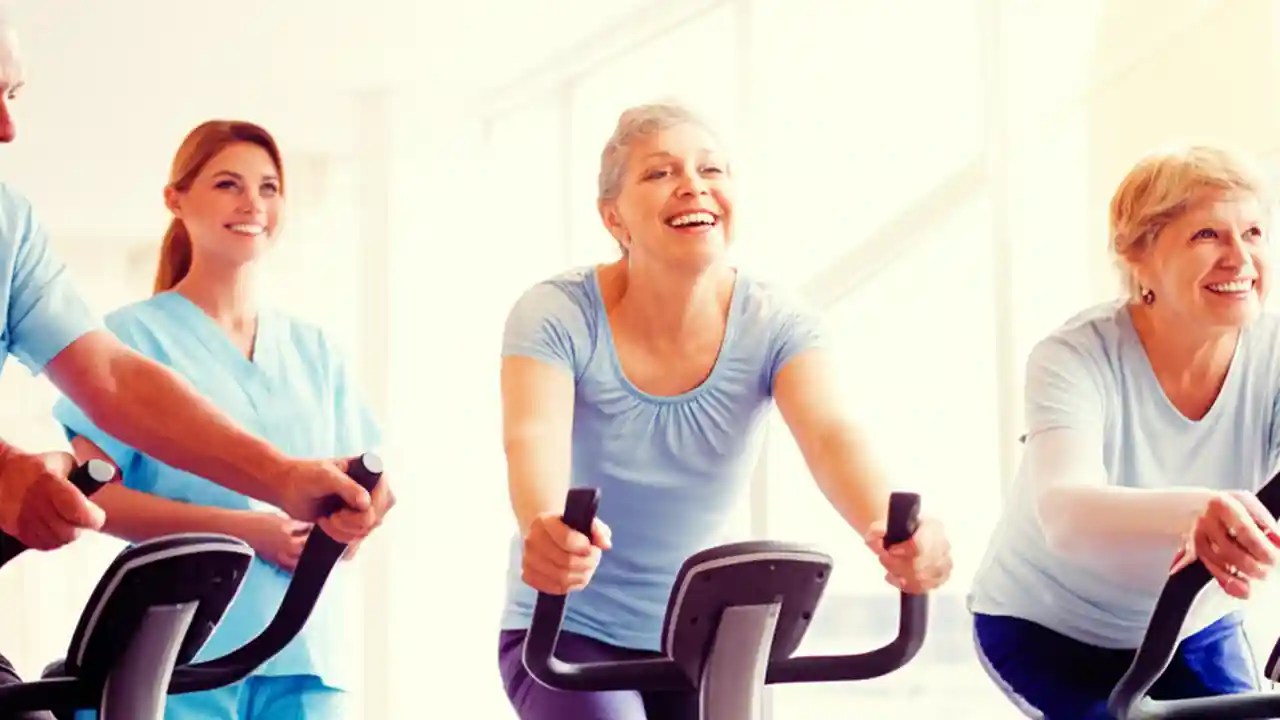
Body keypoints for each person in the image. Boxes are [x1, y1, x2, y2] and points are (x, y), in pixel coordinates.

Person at [495, 102, 954, 720]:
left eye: (712, 168)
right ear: (614, 218)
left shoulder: (776, 322)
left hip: (698, 637)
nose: (693, 184)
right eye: (660, 173)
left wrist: (898, 532)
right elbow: (533, 435)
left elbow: (830, 434)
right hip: (566, 632)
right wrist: (543, 526)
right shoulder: (558, 313)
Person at [0, 14, 390, 720]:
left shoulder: (9, 227)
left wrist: (292, 481)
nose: (8, 129)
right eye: (228, 185)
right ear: (176, 200)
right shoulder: (144, 327)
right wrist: (254, 531)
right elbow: (106, 497)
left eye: (14, 96)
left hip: (301, 641)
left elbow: (111, 380)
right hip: (183, 652)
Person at [967, 144, 1280, 719]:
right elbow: (1066, 514)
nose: (1241, 258)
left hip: (1190, 624)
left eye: (1255, 233)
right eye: (1207, 235)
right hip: (1049, 626)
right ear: (1139, 256)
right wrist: (1201, 510)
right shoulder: (1074, 357)